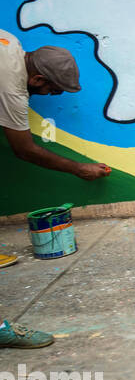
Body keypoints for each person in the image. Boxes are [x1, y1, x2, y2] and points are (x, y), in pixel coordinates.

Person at [0, 36, 109, 274]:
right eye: (51, 89)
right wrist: (79, 169)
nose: (51, 95)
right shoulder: (11, 88)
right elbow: (24, 149)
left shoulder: (9, 42)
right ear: (37, 79)